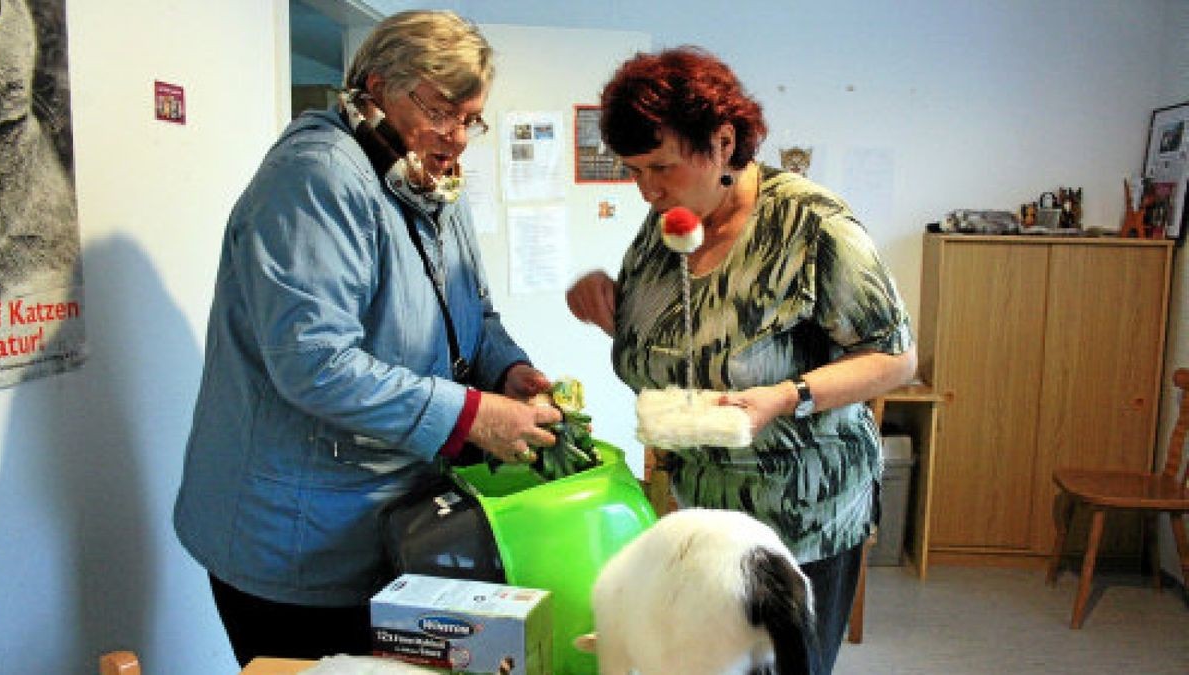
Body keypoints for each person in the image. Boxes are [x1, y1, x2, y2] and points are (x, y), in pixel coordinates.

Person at [174, 11, 561, 667]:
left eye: (472, 119)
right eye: (443, 112)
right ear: (377, 86)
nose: (459, 137)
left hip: (380, 524)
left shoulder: (429, 177)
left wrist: (506, 373)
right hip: (294, 543)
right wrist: (472, 415)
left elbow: (473, 313)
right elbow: (314, 363)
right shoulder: (316, 177)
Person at [565, 46, 916, 674]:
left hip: (800, 514)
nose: (646, 189)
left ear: (723, 143)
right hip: (704, 514)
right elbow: (677, 341)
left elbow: (894, 358)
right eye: (633, 170)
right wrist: (607, 303)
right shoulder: (667, 224)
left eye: (661, 166)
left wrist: (785, 396)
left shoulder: (811, 224)